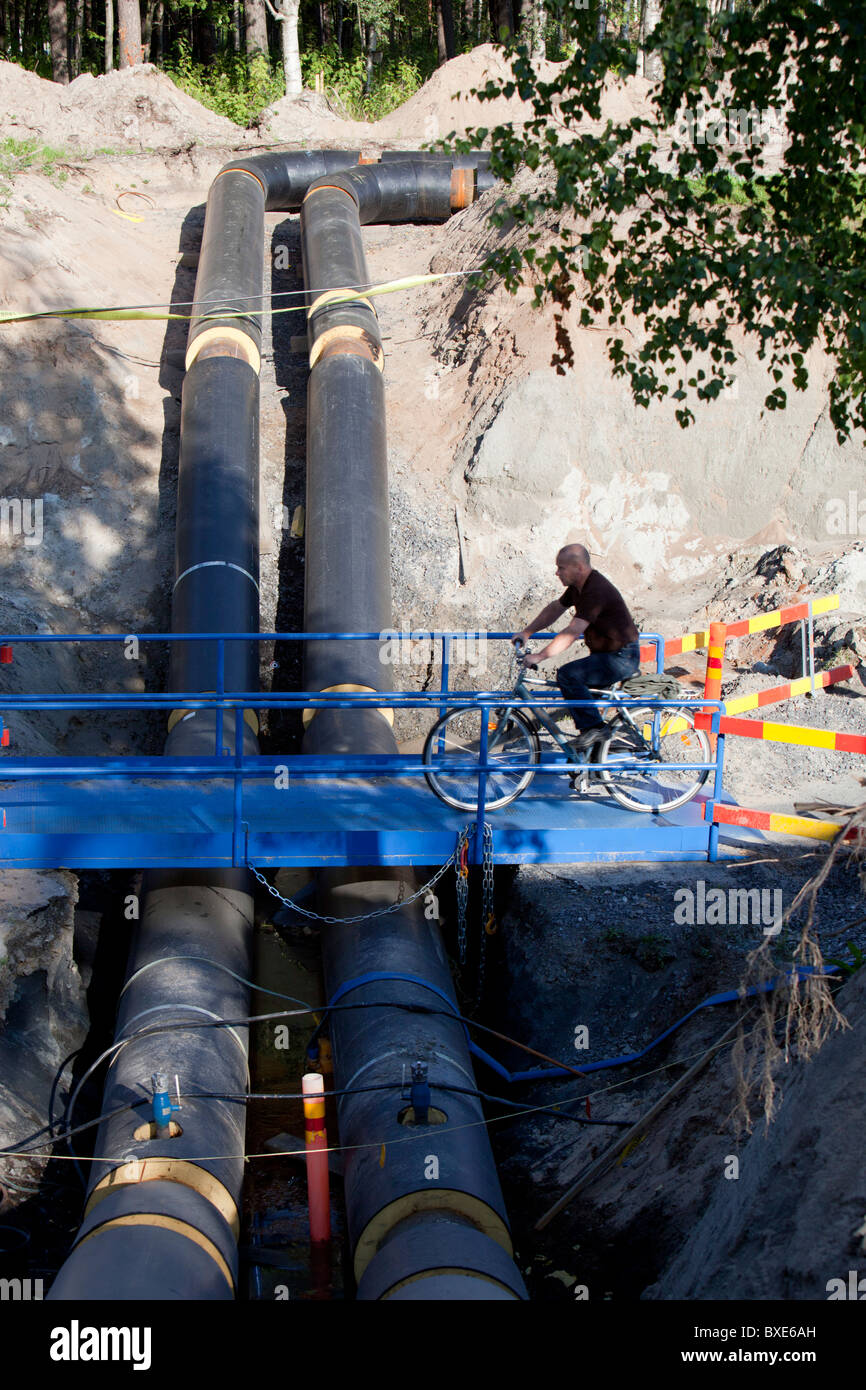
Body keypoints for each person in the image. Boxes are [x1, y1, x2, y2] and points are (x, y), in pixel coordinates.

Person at [512, 544, 641, 753]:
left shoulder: (595, 590)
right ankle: (594, 764)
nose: (557, 572)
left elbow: (573, 631)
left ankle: (595, 731)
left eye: (561, 568)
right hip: (605, 656)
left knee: (569, 675)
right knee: (585, 709)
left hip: (621, 657)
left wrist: (540, 656)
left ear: (578, 567)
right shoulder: (578, 588)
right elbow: (555, 609)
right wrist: (527, 632)